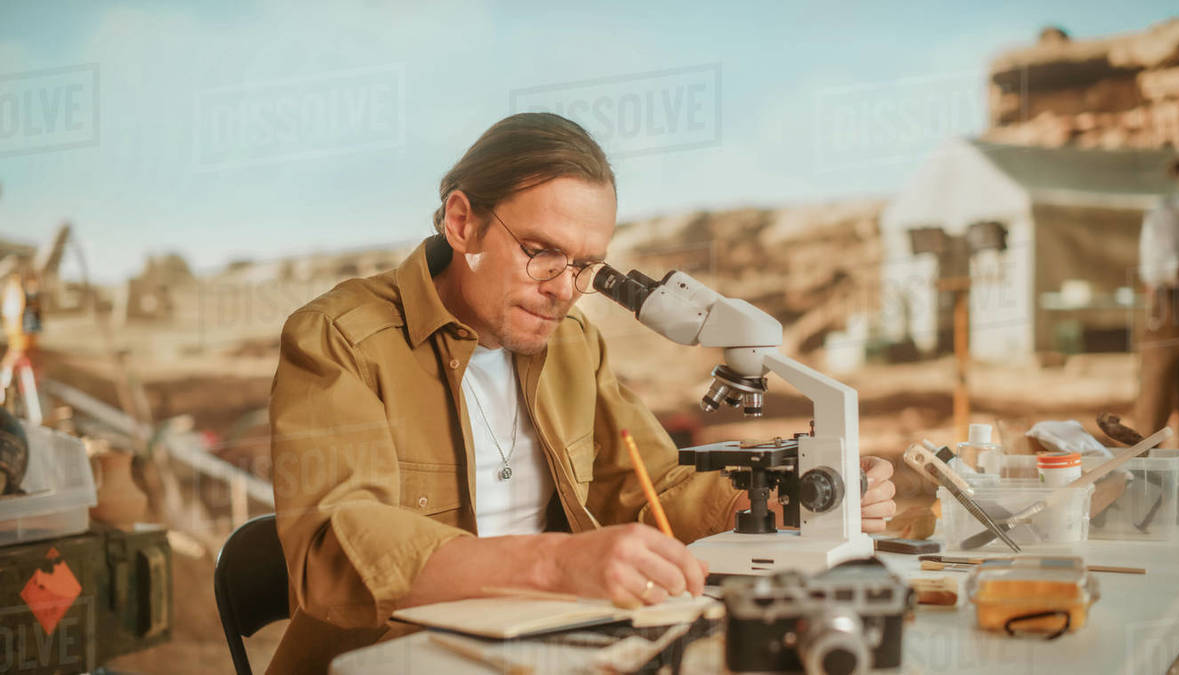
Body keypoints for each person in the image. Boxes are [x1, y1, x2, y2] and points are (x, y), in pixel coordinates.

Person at [266, 113, 897, 674]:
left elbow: (649, 483)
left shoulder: (573, 343)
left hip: (548, 646)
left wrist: (781, 508)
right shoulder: (340, 338)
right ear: (462, 223)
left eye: (585, 266)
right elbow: (333, 548)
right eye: (542, 253)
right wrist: (558, 564)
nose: (564, 289)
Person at [1136, 139, 1179, 449]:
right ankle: (1141, 476)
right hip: (1171, 309)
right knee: (1156, 395)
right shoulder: (1164, 217)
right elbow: (1155, 272)